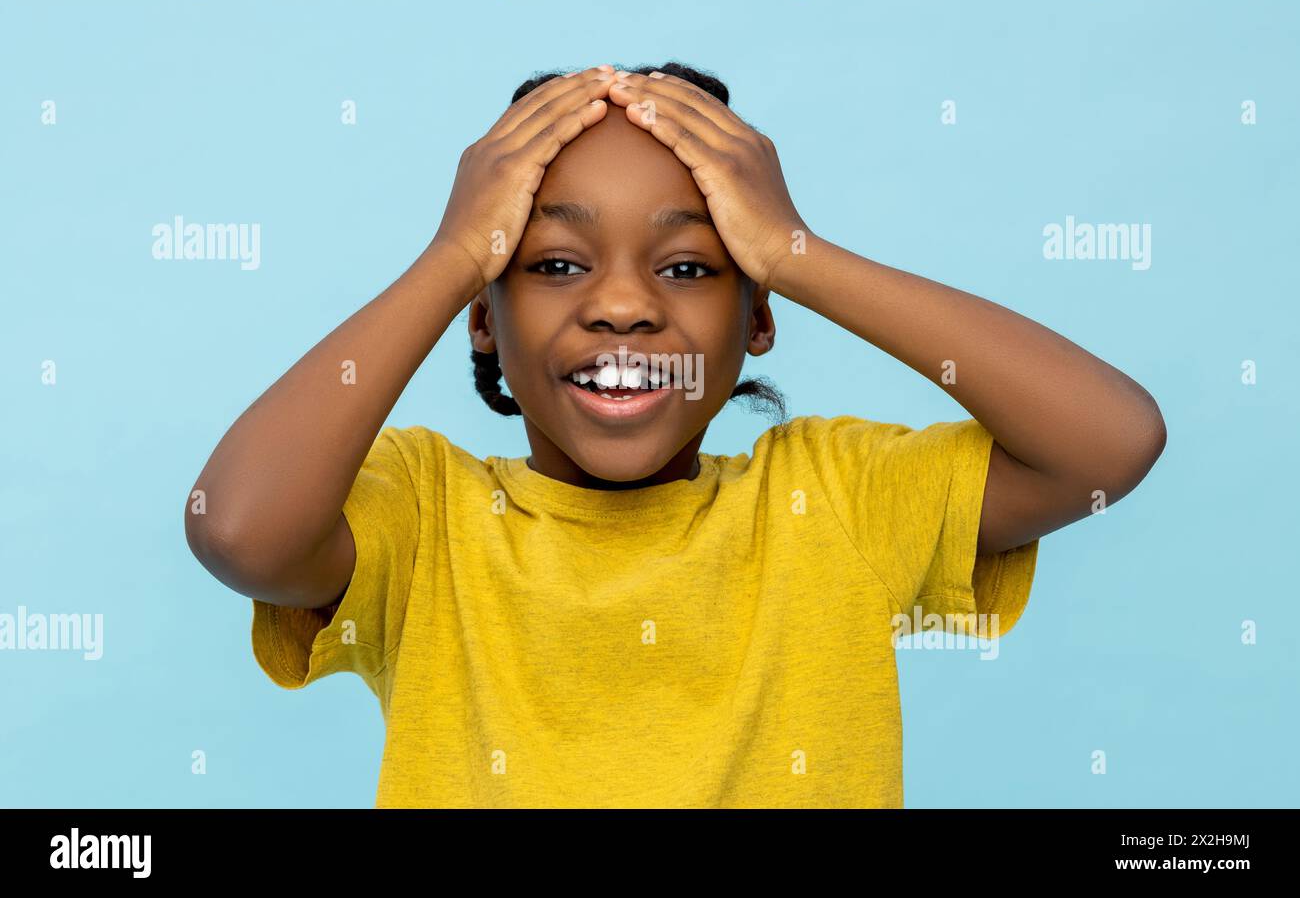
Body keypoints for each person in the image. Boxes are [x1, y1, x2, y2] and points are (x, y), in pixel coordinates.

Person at [184, 62, 1166, 807]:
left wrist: (796, 252)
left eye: (691, 267)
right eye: (557, 264)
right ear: (481, 319)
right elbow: (239, 529)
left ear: (760, 320)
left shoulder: (836, 498)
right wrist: (450, 256)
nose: (622, 304)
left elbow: (1106, 442)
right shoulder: (427, 511)